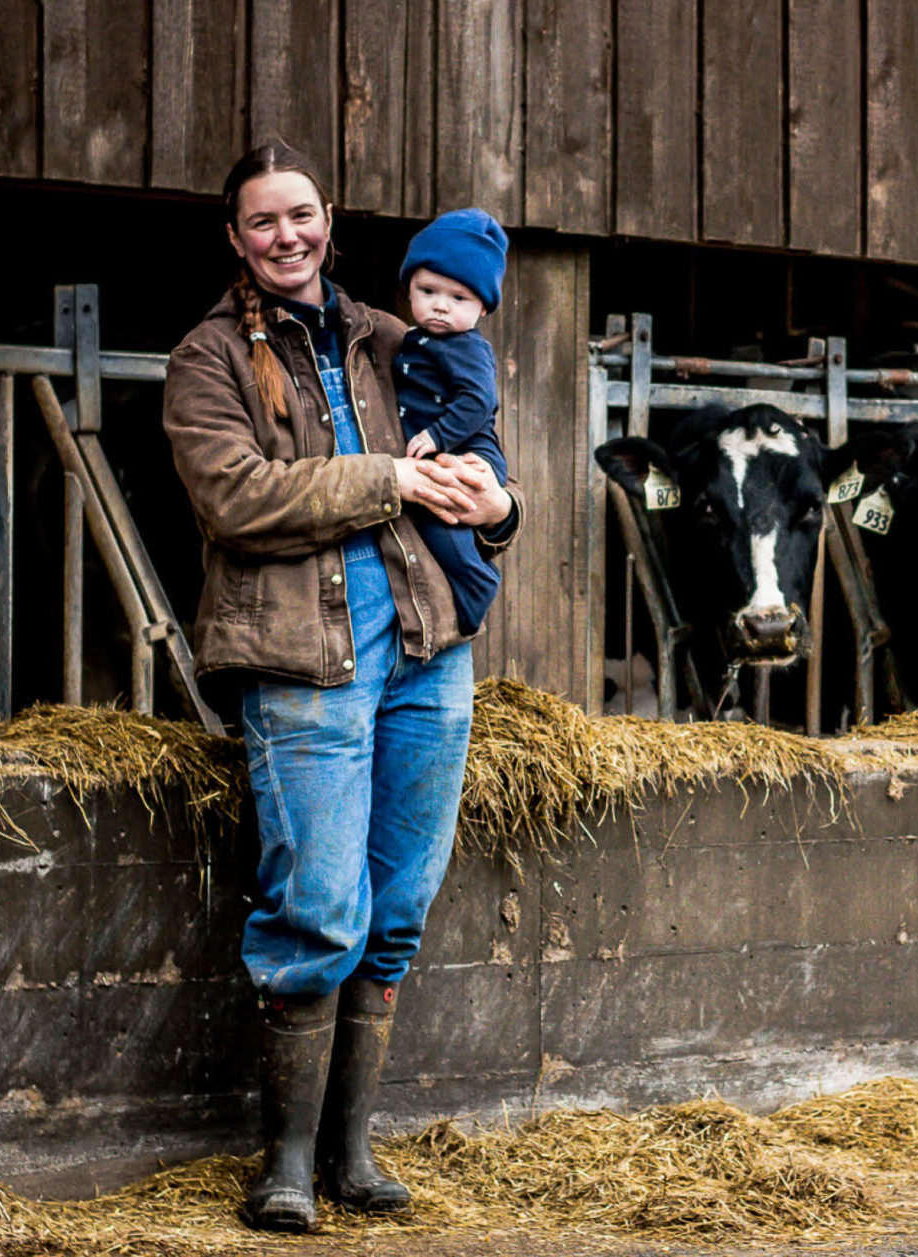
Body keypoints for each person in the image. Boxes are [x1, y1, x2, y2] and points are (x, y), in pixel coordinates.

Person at [160, 141, 520, 1234]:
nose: (286, 236)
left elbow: (482, 455)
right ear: (235, 237)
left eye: (302, 215)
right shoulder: (206, 358)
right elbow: (235, 498)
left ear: (330, 220)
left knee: (397, 904)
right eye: (262, 221)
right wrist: (389, 478)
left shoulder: (392, 336)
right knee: (319, 904)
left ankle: (353, 1153)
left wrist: (499, 506)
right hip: (298, 656)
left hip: (426, 647)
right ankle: (283, 1162)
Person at [394, 209, 511, 635]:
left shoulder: (465, 347)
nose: (440, 305)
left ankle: (476, 588)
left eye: (458, 298)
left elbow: (480, 400)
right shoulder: (418, 339)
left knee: (440, 519)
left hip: (469, 449)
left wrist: (437, 434)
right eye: (427, 290)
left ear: (482, 307)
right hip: (445, 446)